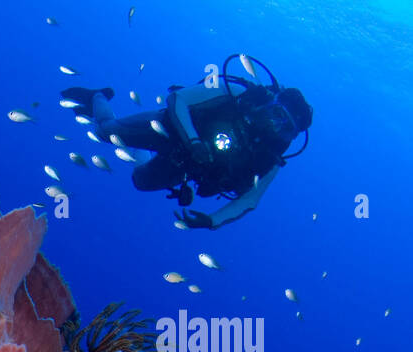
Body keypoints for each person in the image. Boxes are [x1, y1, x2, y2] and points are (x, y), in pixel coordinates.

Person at [61, 56, 312, 229]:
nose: (276, 126)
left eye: (286, 128)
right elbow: (178, 100)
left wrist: (212, 221)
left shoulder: (272, 159)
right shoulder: (237, 95)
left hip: (186, 167)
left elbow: (250, 200)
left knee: (140, 180)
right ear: (270, 102)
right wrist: (193, 141)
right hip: (169, 129)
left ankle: (140, 152)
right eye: (277, 115)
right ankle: (98, 96)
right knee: (106, 132)